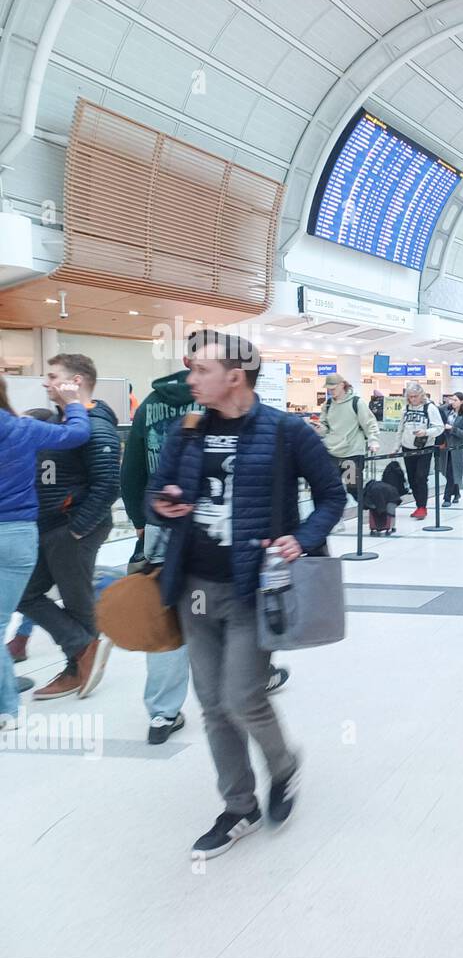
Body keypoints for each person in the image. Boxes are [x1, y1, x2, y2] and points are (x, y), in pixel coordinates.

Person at [148, 332, 345, 859]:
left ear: (235, 376)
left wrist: (301, 539)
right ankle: (239, 807)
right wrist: (160, 505)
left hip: (253, 588)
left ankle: (284, 767)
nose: (191, 380)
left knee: (242, 697)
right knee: (212, 705)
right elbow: (156, 491)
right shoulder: (186, 430)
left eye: (201, 371)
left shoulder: (285, 432)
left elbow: (332, 495)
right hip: (192, 587)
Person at [122, 333, 291, 743]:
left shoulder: (150, 405)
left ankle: (163, 711)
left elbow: (132, 471)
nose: (198, 374)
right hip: (211, 535)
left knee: (170, 614)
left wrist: (143, 518)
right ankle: (251, 678)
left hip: (167, 527)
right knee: (217, 613)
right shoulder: (218, 406)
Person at [18, 354, 121, 701]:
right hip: (51, 526)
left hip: (72, 527)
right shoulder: (62, 422)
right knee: (27, 593)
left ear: (75, 381)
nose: (46, 383)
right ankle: (82, 651)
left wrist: (77, 528)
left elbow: (108, 485)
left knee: (76, 601)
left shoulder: (95, 424)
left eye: (52, 376)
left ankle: (78, 668)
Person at [1, 376, 89, 729]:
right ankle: (7, 706)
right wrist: (73, 402)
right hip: (19, 535)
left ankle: (6, 698)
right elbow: (77, 434)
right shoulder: (22, 428)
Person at [318, 373, 379, 503]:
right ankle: (336, 520)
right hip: (332, 454)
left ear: (342, 385)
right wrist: (318, 429)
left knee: (353, 489)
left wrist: (373, 440)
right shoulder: (328, 405)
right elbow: (324, 427)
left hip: (352, 455)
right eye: (328, 388)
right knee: (329, 489)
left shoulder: (357, 403)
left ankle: (374, 509)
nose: (330, 391)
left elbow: (370, 424)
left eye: (333, 388)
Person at [399, 382, 443, 521]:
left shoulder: (430, 408)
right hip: (407, 447)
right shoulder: (405, 409)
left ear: (421, 395)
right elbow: (400, 428)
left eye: (415, 396)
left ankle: (422, 507)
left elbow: (439, 427)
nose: (413, 399)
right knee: (412, 478)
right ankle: (418, 505)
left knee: (421, 476)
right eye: (410, 397)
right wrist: (396, 445)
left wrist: (426, 432)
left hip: (425, 447)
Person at [442, 392, 463, 505]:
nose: (452, 402)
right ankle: (457, 492)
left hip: (456, 448)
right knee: (447, 471)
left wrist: (452, 428)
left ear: (462, 401)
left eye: (455, 400)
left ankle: (447, 498)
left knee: (451, 472)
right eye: (451, 400)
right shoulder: (447, 411)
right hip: (444, 446)